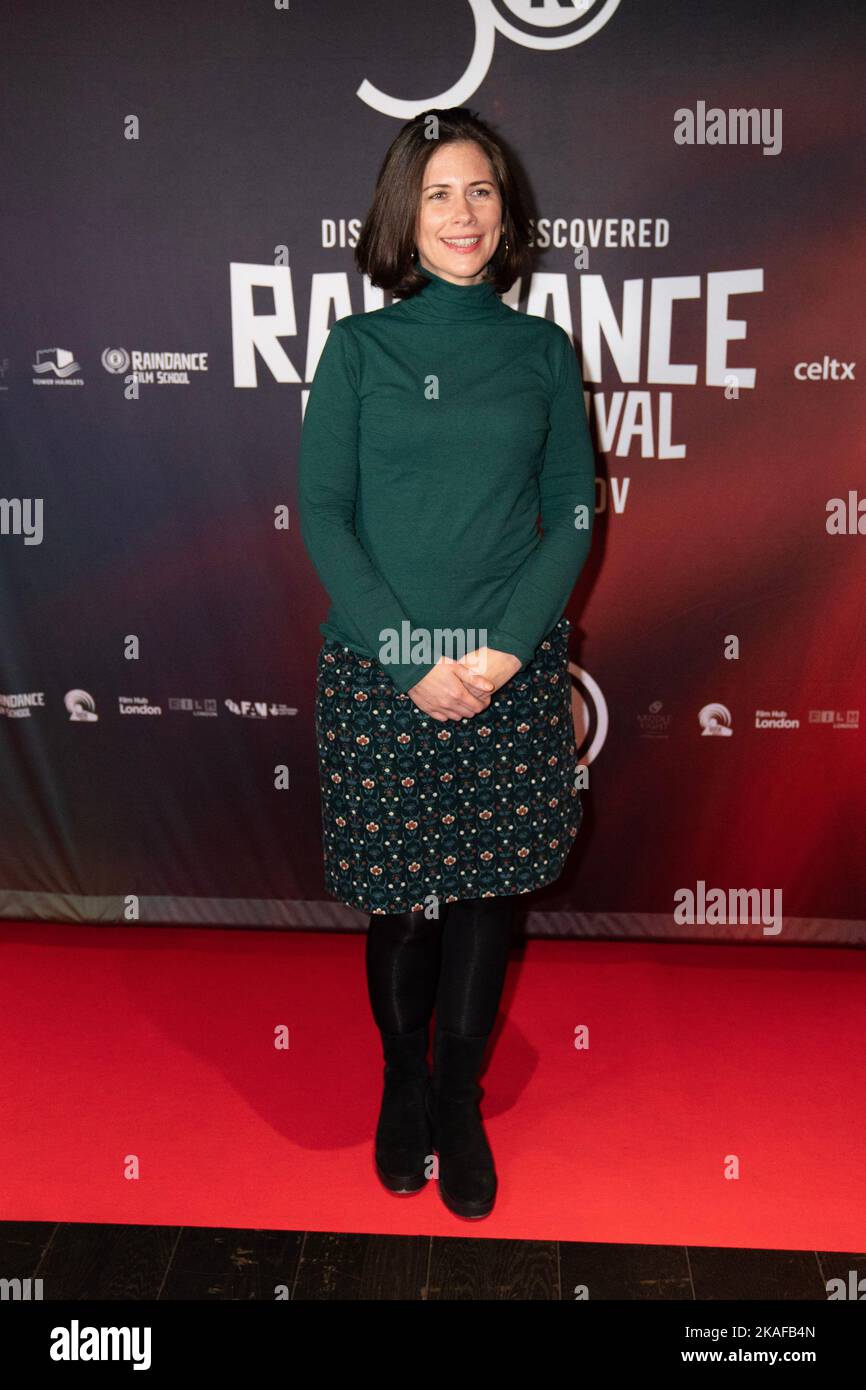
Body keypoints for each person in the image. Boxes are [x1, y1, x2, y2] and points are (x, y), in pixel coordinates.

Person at [298, 107, 595, 1220]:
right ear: (400, 213)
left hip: (508, 674)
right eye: (437, 193)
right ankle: (402, 1083)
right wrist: (404, 655)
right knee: (404, 906)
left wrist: (506, 651)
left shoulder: (540, 351)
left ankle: (460, 1097)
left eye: (479, 191)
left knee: (484, 901)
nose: (462, 213)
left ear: (505, 211)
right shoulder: (358, 350)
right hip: (382, 677)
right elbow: (323, 513)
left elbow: (570, 512)